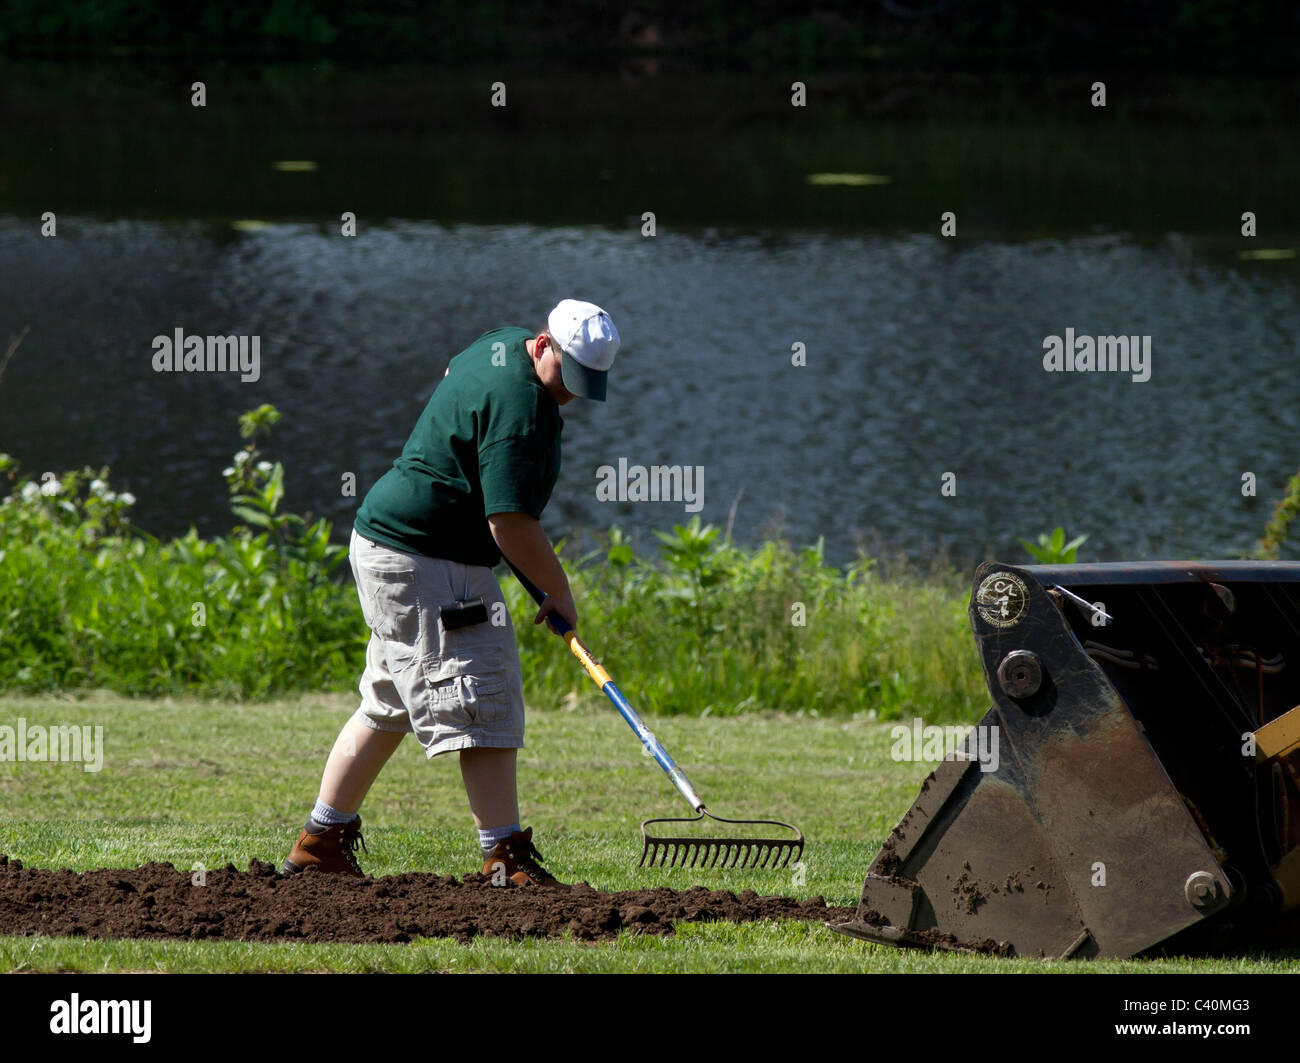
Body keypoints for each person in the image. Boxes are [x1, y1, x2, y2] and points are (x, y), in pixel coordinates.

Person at [281, 299, 620, 886]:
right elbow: (508, 522)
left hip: (387, 545)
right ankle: (503, 859)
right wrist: (558, 590)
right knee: (481, 691)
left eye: (585, 385)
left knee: (388, 701)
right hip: (427, 558)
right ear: (544, 345)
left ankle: (321, 842)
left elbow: (450, 377)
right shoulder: (522, 411)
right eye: (566, 377)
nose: (569, 395)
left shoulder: (502, 344)